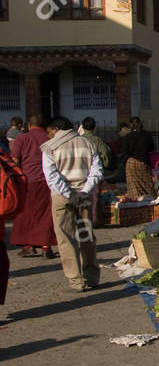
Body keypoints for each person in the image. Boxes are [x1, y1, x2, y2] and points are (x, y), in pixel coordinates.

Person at [39, 117, 102, 291]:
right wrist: (84, 191)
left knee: (66, 238)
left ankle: (76, 280)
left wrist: (69, 194)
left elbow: (51, 177)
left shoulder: (49, 148)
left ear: (57, 129)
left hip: (62, 197)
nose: (49, 135)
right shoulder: (87, 144)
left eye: (50, 131)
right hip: (84, 196)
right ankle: (91, 276)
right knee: (86, 236)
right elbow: (96, 171)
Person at [10, 116, 56, 259]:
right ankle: (45, 247)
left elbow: (15, 160)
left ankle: (28, 245)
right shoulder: (50, 139)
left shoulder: (22, 139)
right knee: (46, 214)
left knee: (27, 213)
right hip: (48, 181)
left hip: (28, 181)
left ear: (28, 125)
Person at [121, 116, 155, 200]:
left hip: (131, 164)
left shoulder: (128, 137)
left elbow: (125, 152)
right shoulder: (147, 135)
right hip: (143, 163)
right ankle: (150, 199)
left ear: (131, 125)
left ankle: (136, 201)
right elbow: (152, 148)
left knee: (134, 186)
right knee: (147, 184)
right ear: (141, 124)